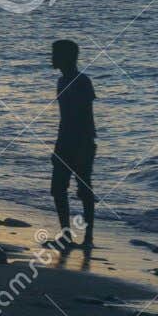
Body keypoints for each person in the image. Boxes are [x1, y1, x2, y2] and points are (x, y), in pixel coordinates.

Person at [50, 38, 96, 250]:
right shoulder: (61, 81)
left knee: (84, 189)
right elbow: (64, 118)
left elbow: (85, 117)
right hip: (65, 141)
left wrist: (84, 148)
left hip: (81, 142)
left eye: (55, 54)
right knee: (58, 188)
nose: (52, 58)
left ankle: (88, 238)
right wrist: (58, 146)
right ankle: (66, 233)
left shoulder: (82, 82)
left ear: (66, 58)